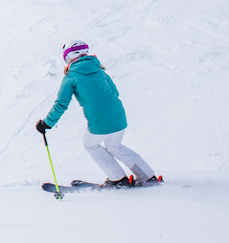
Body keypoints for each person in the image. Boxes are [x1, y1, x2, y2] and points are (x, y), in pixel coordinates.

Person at [36, 41, 161, 187]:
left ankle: (118, 179)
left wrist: (46, 123)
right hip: (119, 118)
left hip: (100, 123)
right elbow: (115, 92)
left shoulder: (71, 77)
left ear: (68, 57)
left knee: (90, 144)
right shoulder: (99, 70)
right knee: (115, 147)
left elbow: (61, 104)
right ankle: (147, 176)